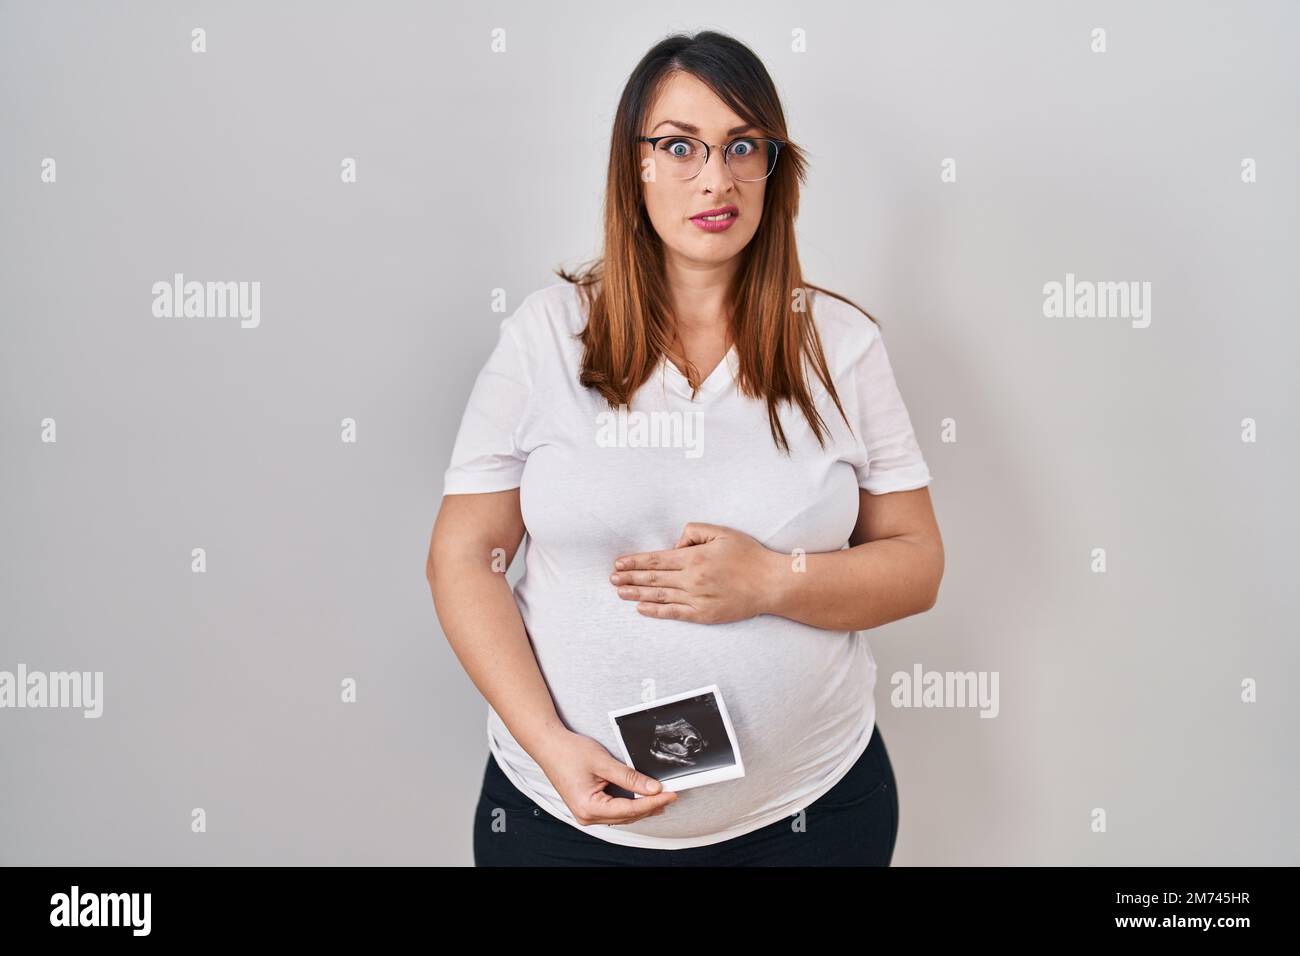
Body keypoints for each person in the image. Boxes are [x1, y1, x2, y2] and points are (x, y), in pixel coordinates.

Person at [426, 30, 944, 866]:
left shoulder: (840, 345)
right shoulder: (546, 338)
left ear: (775, 167)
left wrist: (772, 579)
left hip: (808, 816)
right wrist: (551, 746)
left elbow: (917, 563)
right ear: (633, 165)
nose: (716, 178)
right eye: (679, 146)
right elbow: (464, 556)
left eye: (744, 146)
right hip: (564, 820)